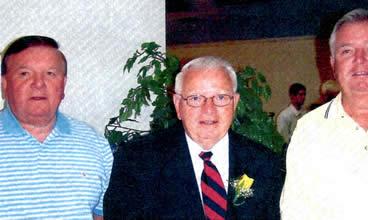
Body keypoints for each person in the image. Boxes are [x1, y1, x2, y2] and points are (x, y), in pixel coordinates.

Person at [104, 56, 284, 219]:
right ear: (178, 104)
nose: (209, 109)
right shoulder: (138, 161)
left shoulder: (264, 163)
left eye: (221, 97)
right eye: (196, 98)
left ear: (235, 103)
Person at [280, 9, 368, 220]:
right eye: (347, 51)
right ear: (333, 64)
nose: (360, 60)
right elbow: (295, 213)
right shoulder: (309, 131)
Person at [0, 35, 113, 219]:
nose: (38, 84)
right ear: (4, 85)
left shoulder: (94, 143)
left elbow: (101, 215)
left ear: (63, 85)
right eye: (24, 74)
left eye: (50, 74)